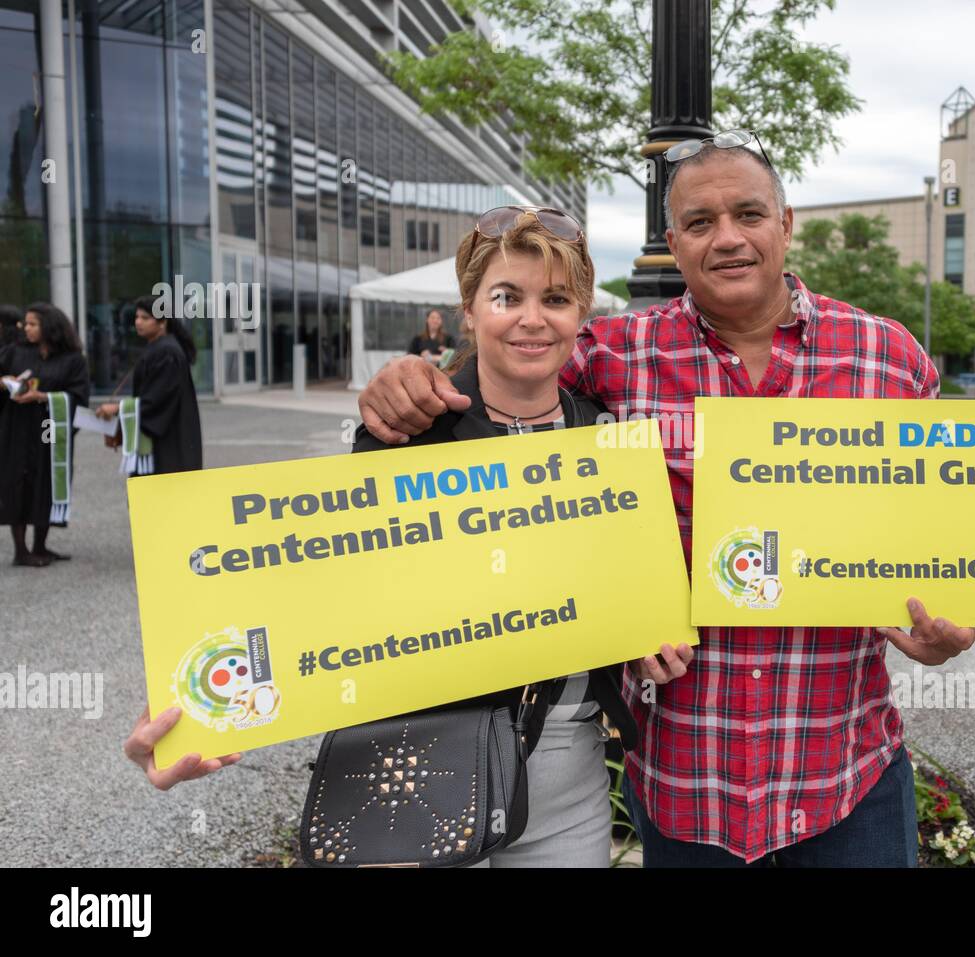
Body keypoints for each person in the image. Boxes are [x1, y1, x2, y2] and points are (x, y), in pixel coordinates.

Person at [356, 131, 975, 867]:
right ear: (673, 245)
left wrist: (949, 626)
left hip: (847, 777)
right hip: (687, 789)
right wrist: (412, 380)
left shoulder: (892, 359)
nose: (728, 238)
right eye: (699, 223)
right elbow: (512, 360)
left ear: (786, 223)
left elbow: (941, 539)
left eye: (748, 214)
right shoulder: (613, 356)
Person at [123, 207, 694, 868]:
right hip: (414, 771)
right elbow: (301, 581)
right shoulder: (403, 434)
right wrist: (189, 709)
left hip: (570, 791)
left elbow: (617, 602)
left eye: (557, 299)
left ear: (581, 314)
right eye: (507, 296)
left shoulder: (611, 441)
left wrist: (650, 645)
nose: (533, 318)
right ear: (469, 311)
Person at [0, 302, 90, 566]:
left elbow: (78, 395)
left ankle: (40, 545)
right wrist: (6, 382)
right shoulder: (16, 352)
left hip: (49, 430)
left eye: (32, 324)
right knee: (18, 484)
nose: (25, 329)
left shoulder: (72, 360)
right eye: (25, 323)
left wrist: (43, 396)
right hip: (17, 429)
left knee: (46, 483)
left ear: (49, 327)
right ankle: (21, 550)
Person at [93, 296, 202, 475]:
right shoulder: (158, 348)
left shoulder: (167, 352)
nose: (138, 322)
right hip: (160, 440)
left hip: (168, 443)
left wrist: (118, 408)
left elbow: (157, 401)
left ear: (162, 322)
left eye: (145, 318)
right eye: (136, 317)